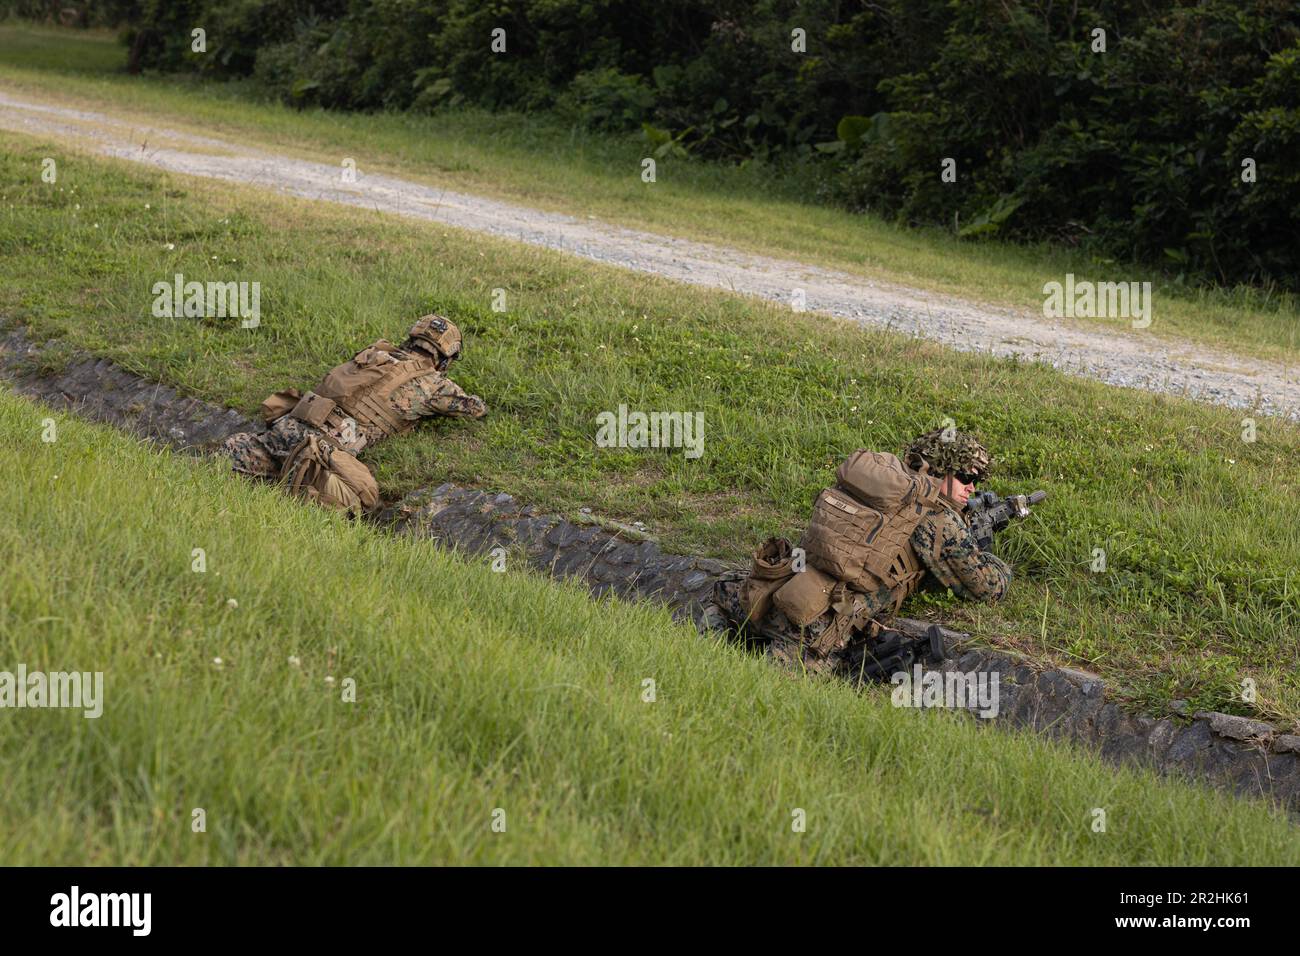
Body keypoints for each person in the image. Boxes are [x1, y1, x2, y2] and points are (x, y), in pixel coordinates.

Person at [712, 429, 1012, 679]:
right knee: (766, 696)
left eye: (977, 481)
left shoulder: (882, 483)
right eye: (964, 476)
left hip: (774, 592)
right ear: (939, 470)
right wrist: (983, 548)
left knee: (717, 622)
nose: (971, 487)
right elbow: (987, 589)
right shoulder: (937, 519)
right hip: (820, 628)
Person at [221, 315, 487, 512]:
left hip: (287, 426)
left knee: (228, 460)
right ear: (445, 358)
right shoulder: (433, 384)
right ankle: (291, 494)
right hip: (316, 452)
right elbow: (475, 408)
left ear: (411, 338)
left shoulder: (374, 353)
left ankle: (259, 474)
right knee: (360, 499)